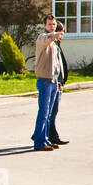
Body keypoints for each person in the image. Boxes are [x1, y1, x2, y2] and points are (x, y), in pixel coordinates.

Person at [31, 15, 65, 151]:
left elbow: (57, 64)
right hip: (44, 81)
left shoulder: (54, 44)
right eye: (50, 24)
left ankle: (44, 139)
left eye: (54, 24)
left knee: (49, 114)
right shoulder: (42, 38)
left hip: (53, 82)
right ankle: (39, 143)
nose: (52, 26)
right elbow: (46, 39)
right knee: (43, 112)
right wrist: (54, 34)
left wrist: (60, 80)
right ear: (45, 26)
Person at [47, 44, 69, 145]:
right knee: (51, 112)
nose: (61, 35)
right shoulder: (52, 46)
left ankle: (45, 134)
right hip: (55, 83)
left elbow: (61, 65)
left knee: (52, 112)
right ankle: (51, 136)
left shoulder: (57, 46)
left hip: (58, 83)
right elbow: (56, 67)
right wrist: (59, 82)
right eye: (60, 32)